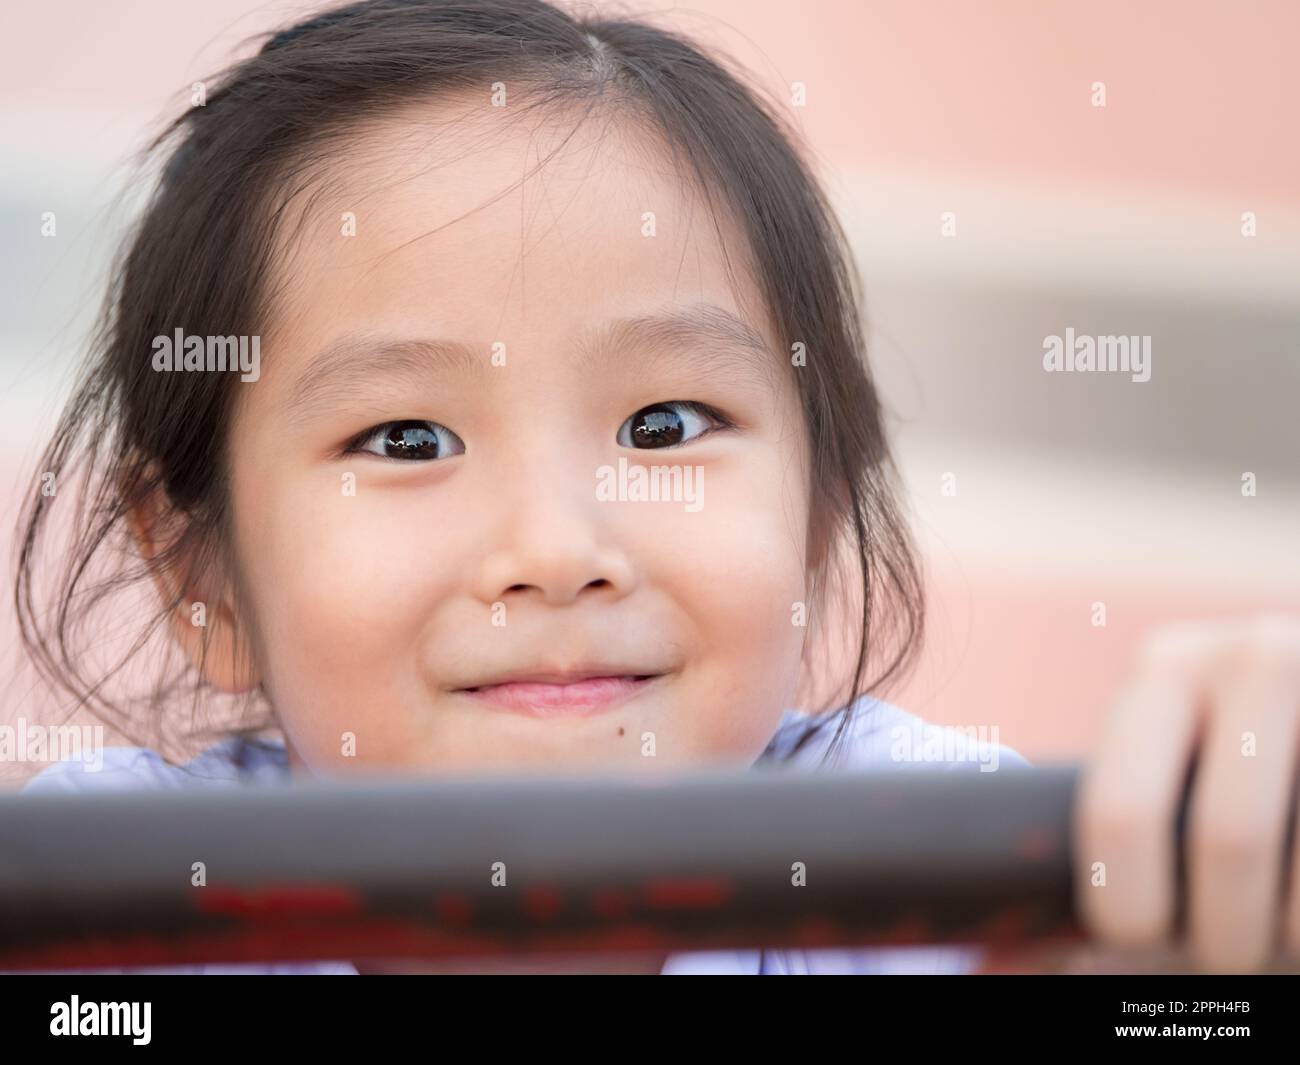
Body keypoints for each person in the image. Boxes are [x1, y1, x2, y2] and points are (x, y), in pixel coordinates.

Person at [11, 0, 1300, 975]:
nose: (558, 548)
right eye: (406, 439)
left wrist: (1203, 937)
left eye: (668, 422)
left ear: (818, 522)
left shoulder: (929, 871)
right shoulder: (111, 913)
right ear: (202, 579)